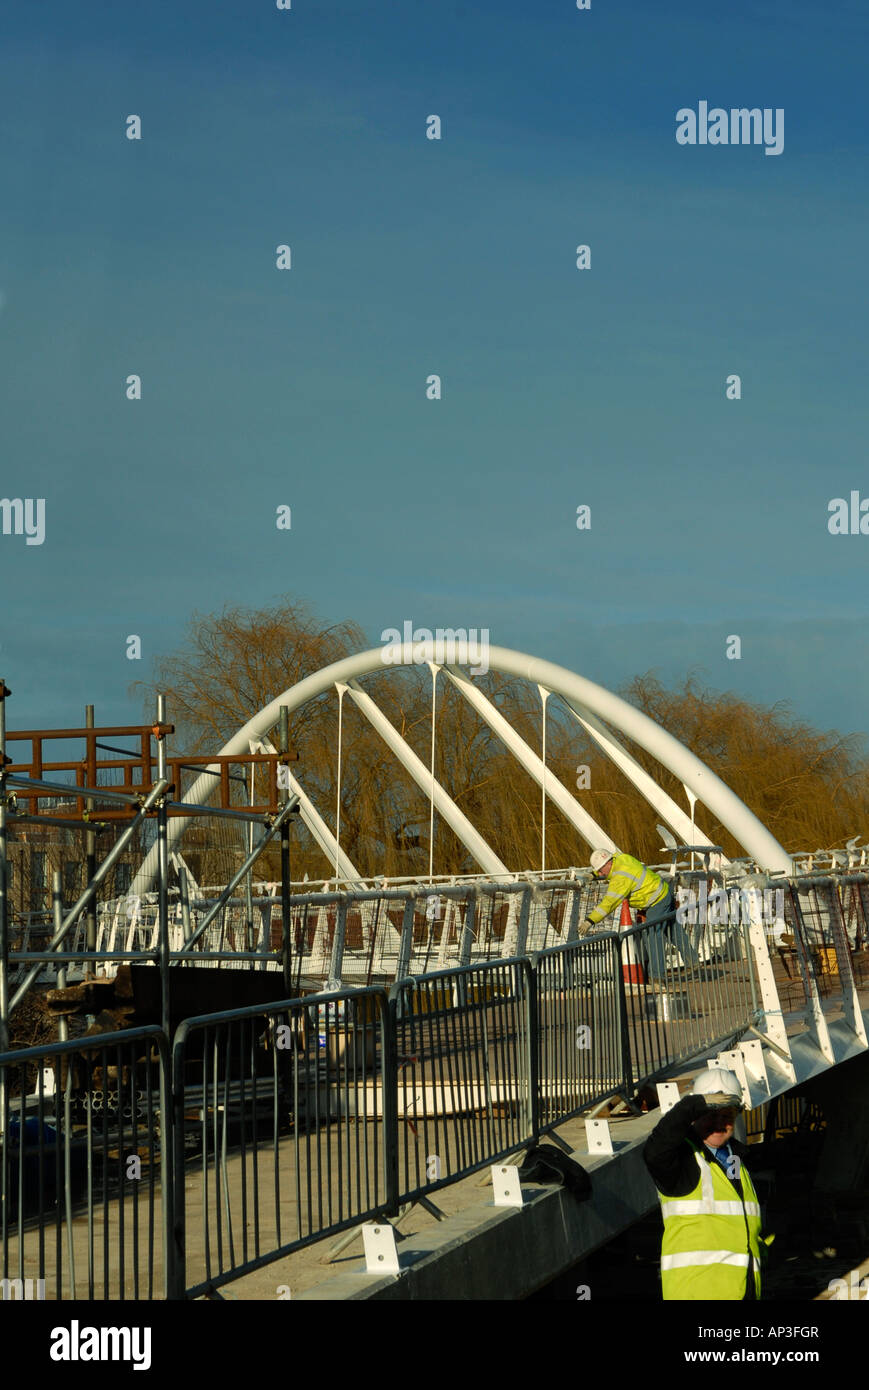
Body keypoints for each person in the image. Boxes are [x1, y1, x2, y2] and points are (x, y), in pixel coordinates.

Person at [643, 1067, 772, 1300]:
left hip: (743, 1289)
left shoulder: (737, 1162)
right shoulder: (682, 1162)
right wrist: (692, 1104)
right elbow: (655, 1150)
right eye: (711, 1115)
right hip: (698, 1291)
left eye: (727, 1116)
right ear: (695, 1116)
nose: (719, 1124)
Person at [580, 848, 697, 979]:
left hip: (656, 901)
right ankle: (692, 961)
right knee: (673, 931)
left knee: (652, 935)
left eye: (600, 870)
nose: (600, 873)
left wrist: (589, 921)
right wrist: (594, 875)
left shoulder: (620, 879)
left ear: (608, 863)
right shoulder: (622, 858)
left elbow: (608, 904)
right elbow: (611, 871)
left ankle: (657, 976)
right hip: (664, 891)